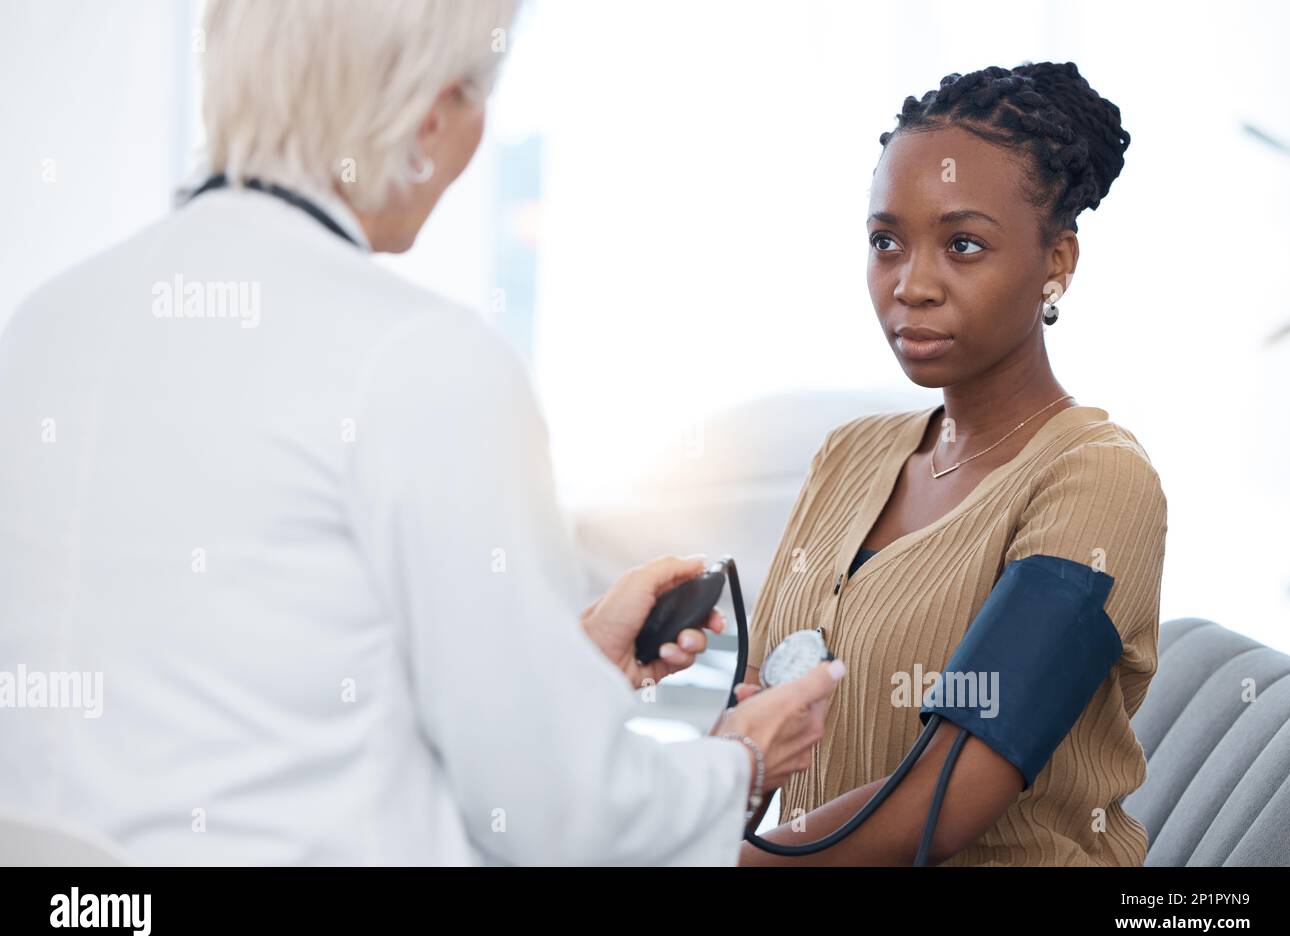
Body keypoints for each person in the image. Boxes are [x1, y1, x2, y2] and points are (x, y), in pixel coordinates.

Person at [0, 0, 843, 866]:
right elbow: (562, 817)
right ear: (432, 114)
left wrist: (562, 669)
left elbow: (242, 684)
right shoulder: (423, 358)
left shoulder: (45, 325)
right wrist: (738, 761)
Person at [738, 62, 1168, 866]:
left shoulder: (1097, 478)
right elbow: (761, 719)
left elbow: (953, 789)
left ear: (1057, 262)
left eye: (963, 244)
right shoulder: (849, 453)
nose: (912, 285)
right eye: (886, 242)